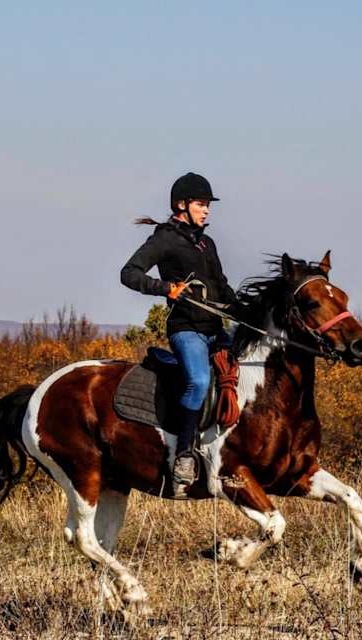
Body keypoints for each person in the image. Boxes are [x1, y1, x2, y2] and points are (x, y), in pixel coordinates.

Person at [120, 171, 237, 484]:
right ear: (182, 205)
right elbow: (129, 273)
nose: (207, 210)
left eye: (208, 205)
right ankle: (183, 454)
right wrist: (165, 288)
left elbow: (222, 287)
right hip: (186, 328)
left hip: (216, 328)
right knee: (198, 381)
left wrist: (243, 308)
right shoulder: (165, 238)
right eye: (201, 204)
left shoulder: (207, 243)